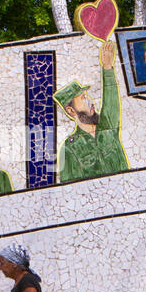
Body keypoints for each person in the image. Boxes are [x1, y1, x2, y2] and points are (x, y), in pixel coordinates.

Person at [54, 40, 129, 184]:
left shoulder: (108, 127)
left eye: (87, 96)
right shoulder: (70, 148)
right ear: (71, 110)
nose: (90, 101)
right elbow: (70, 190)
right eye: (83, 98)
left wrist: (107, 68)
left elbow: (111, 100)